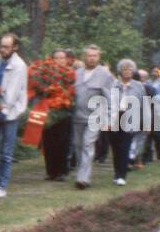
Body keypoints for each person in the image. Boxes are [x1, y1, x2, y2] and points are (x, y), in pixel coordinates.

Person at [0, 32, 27, 200]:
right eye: (1, 46)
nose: (2, 49)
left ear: (15, 47)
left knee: (6, 151)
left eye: (6, 47)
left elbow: (12, 93)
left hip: (9, 112)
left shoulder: (19, 65)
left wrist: (2, 111)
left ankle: (2, 185)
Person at [72, 45, 113, 189]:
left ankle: (83, 178)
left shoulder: (105, 75)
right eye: (89, 55)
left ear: (99, 57)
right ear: (84, 57)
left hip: (95, 117)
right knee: (78, 145)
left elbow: (110, 98)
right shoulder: (76, 73)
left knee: (87, 144)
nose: (91, 58)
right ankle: (80, 172)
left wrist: (109, 119)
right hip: (77, 116)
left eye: (94, 55)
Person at [108, 60, 143, 185]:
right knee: (116, 148)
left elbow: (143, 105)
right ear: (120, 71)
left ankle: (122, 175)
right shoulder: (113, 84)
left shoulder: (138, 86)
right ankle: (117, 173)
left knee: (125, 146)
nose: (127, 72)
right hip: (115, 117)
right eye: (124, 69)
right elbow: (108, 103)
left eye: (129, 69)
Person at [41, 48, 73, 181]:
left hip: (64, 112)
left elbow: (72, 91)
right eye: (57, 58)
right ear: (52, 60)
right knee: (48, 141)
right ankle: (51, 171)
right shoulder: (46, 74)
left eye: (62, 58)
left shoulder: (70, 74)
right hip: (48, 111)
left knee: (62, 142)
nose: (60, 60)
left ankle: (62, 171)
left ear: (66, 60)